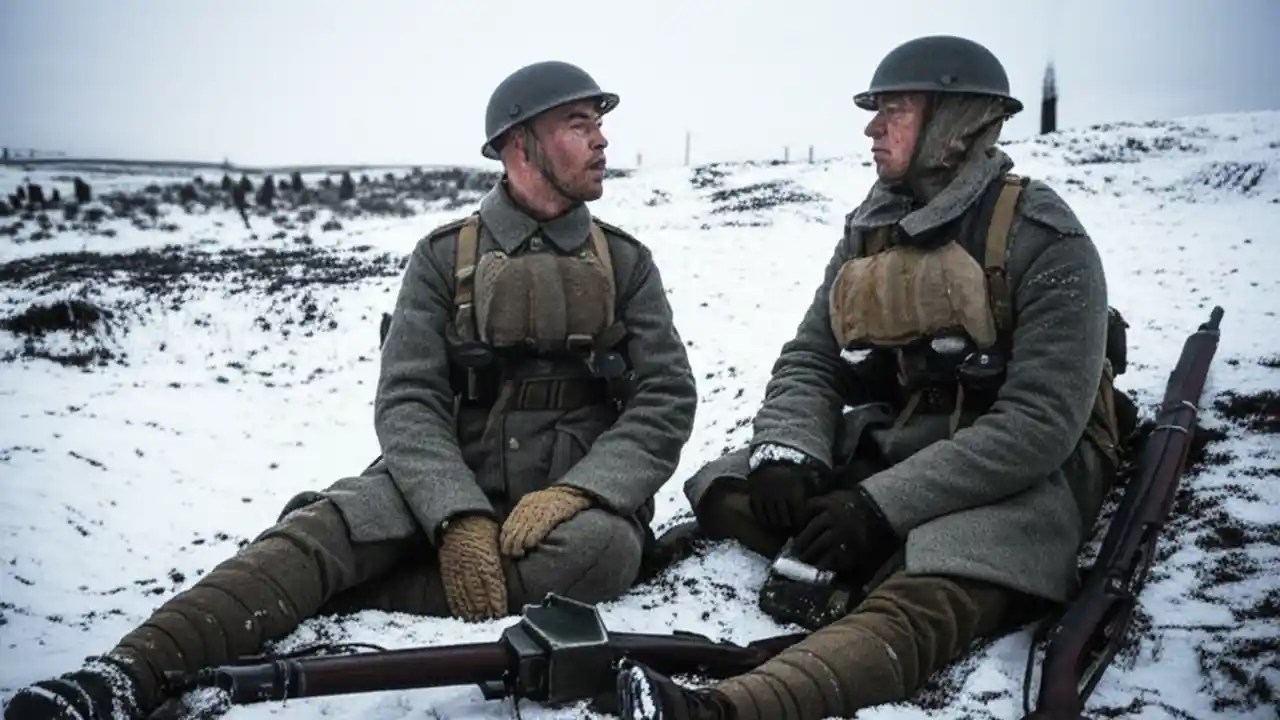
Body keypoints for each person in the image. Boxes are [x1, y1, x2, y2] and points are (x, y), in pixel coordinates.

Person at [5, 60, 698, 720]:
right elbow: (408, 400)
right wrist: (455, 516)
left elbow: (664, 397)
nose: (602, 138)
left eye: (598, 123)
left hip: (567, 504)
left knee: (605, 553)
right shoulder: (442, 258)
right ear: (520, 143)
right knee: (322, 529)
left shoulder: (627, 264)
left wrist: (580, 491)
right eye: (579, 123)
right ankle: (124, 676)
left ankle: (329, 593)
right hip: (446, 473)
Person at [616, 35, 1126, 720]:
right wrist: (789, 454)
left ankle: (723, 710)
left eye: (895, 109)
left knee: (926, 596)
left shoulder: (1044, 235)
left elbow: (1039, 427)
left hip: (1014, 477)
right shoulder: (872, 229)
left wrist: (880, 506)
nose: (872, 126)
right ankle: (871, 553)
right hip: (905, 443)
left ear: (956, 122)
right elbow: (812, 357)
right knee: (726, 488)